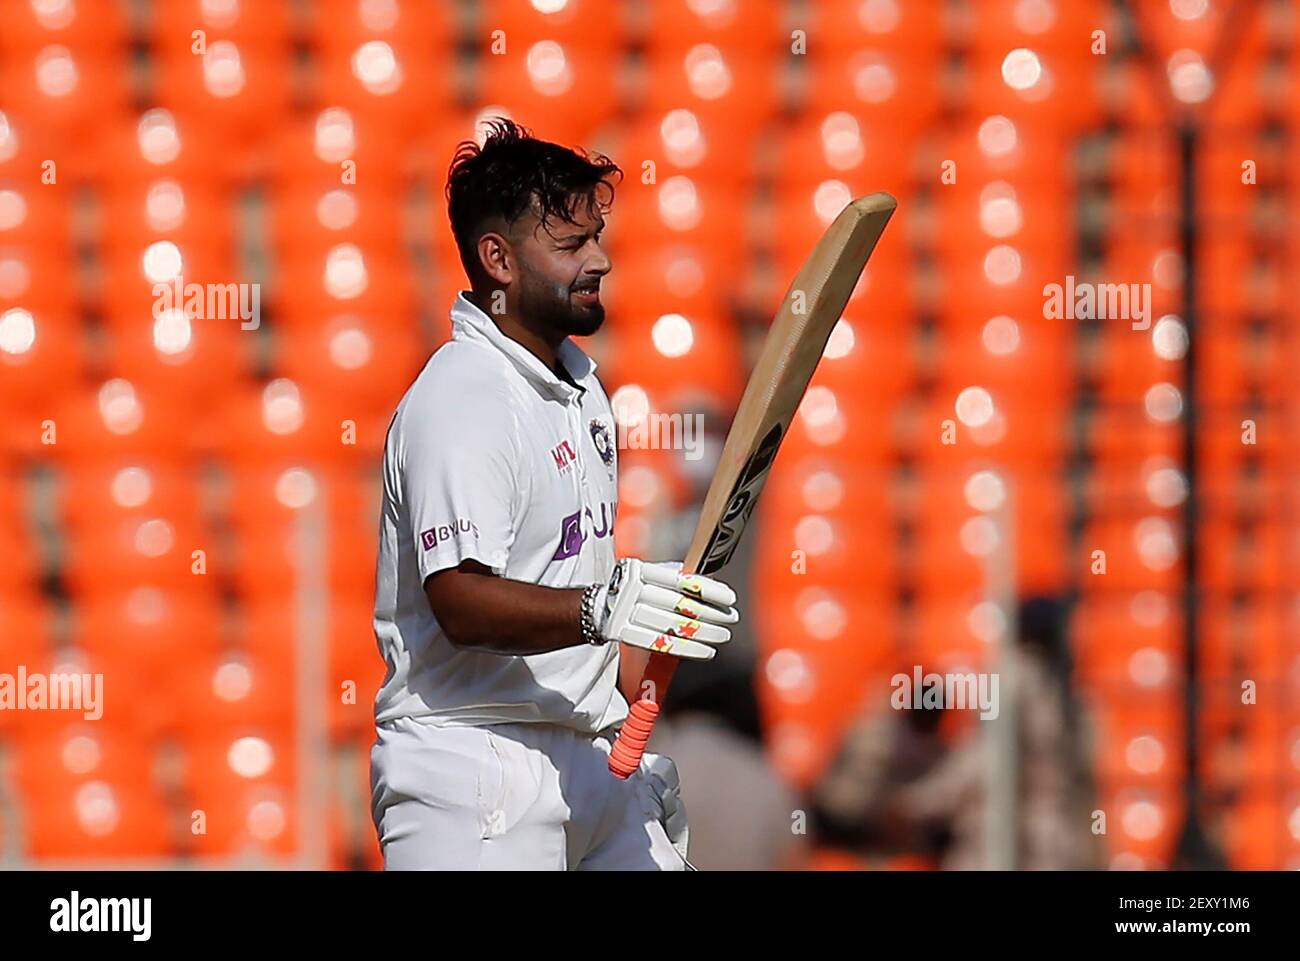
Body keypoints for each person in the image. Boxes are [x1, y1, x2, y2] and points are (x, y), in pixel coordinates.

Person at [368, 118, 741, 870]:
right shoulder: (464, 394)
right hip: (471, 769)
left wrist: (641, 643)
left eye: (597, 237)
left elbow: (573, 610)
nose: (599, 259)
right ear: (497, 259)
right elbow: (462, 604)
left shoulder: (582, 389)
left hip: (588, 760)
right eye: (571, 245)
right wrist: (604, 606)